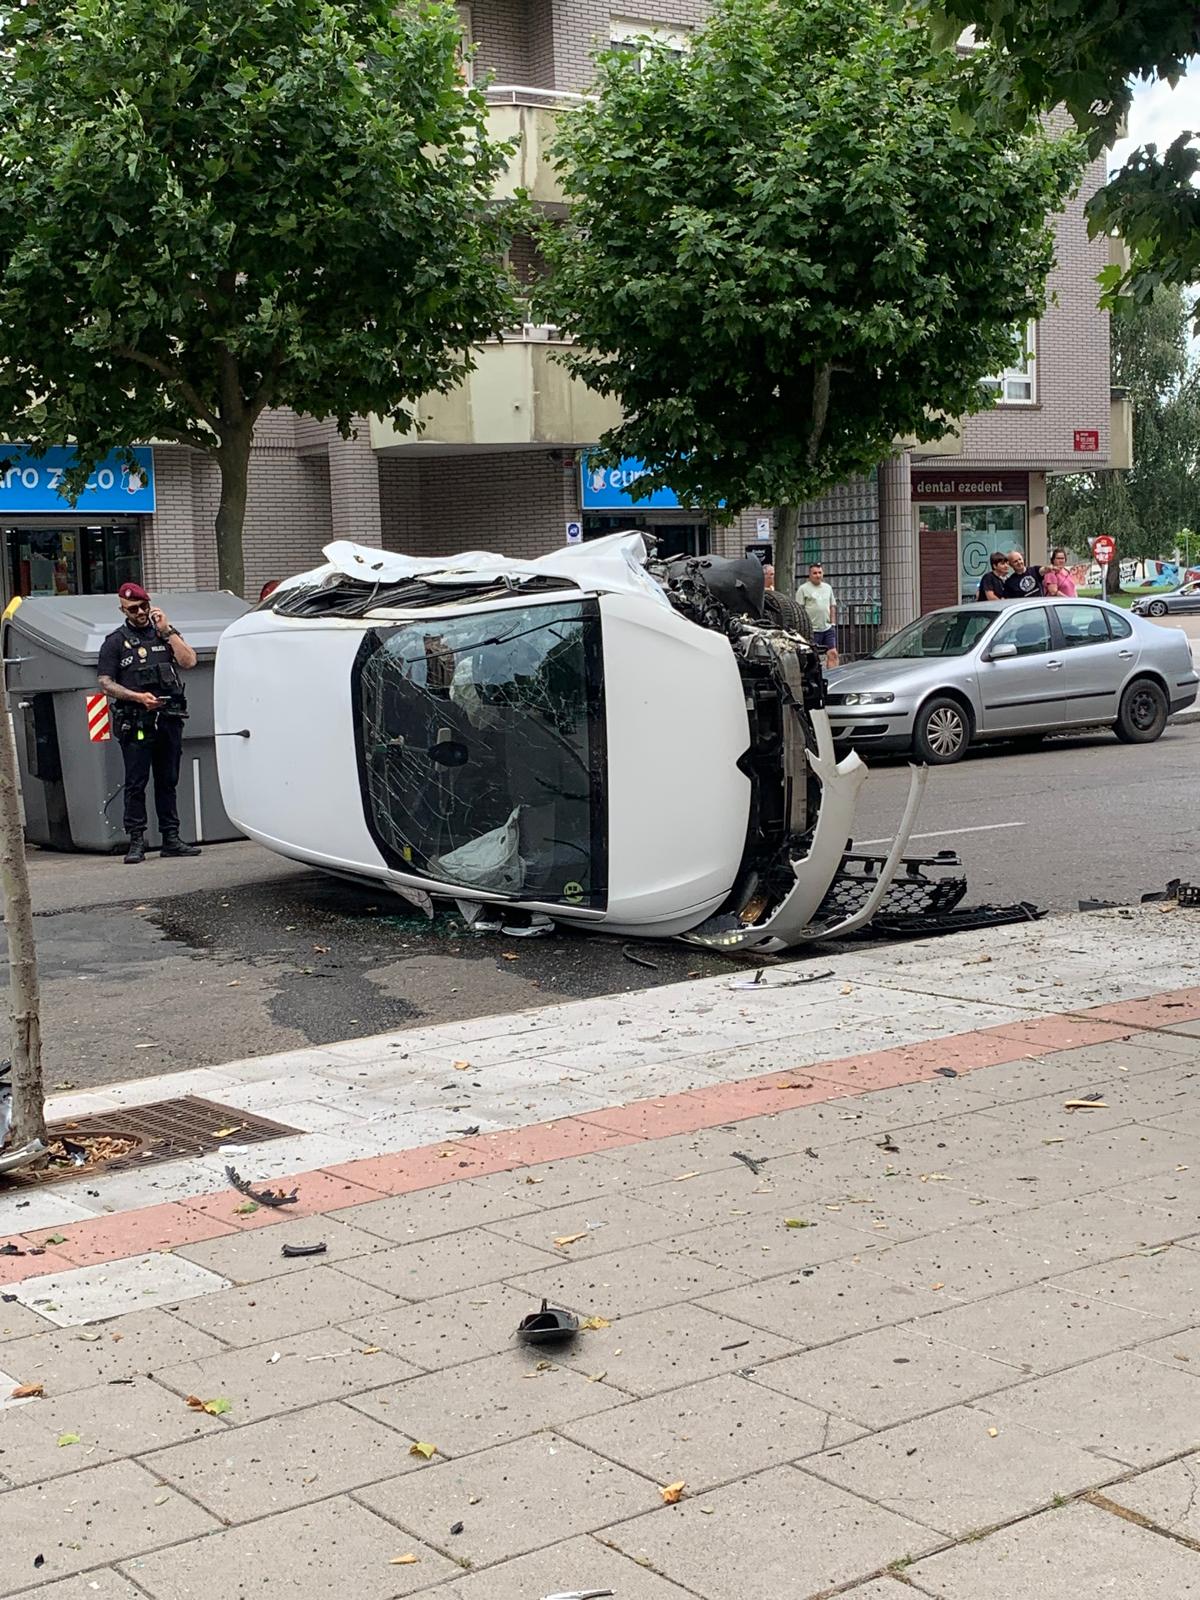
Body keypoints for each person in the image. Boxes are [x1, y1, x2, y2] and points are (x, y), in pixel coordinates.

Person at [97, 582, 201, 865]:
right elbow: (106, 683)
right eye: (133, 609)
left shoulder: (164, 634)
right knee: (136, 782)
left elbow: (189, 661)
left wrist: (167, 630)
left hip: (167, 718)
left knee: (168, 780)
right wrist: (137, 697)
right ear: (123, 610)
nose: (141, 612)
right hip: (137, 719)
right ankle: (136, 841)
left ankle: (171, 838)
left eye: (144, 606)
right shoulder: (115, 642)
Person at [799, 561, 838, 666]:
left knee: (833, 653)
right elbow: (800, 609)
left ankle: (834, 676)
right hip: (812, 630)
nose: (818, 575)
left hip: (827, 628)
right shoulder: (803, 589)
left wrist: (833, 624)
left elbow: (832, 605)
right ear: (810, 575)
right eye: (815, 573)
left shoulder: (827, 588)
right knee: (813, 657)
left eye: (820, 573)